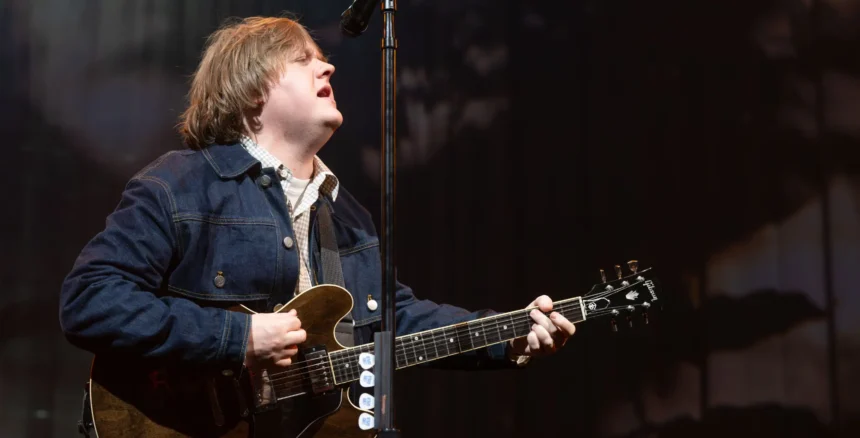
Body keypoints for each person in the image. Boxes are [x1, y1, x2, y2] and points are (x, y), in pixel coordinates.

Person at [59, 15, 574, 394]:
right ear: (254, 88)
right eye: (303, 59)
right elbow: (89, 300)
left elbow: (398, 322)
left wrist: (507, 335)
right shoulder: (182, 183)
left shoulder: (346, 213)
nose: (327, 65)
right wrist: (237, 337)